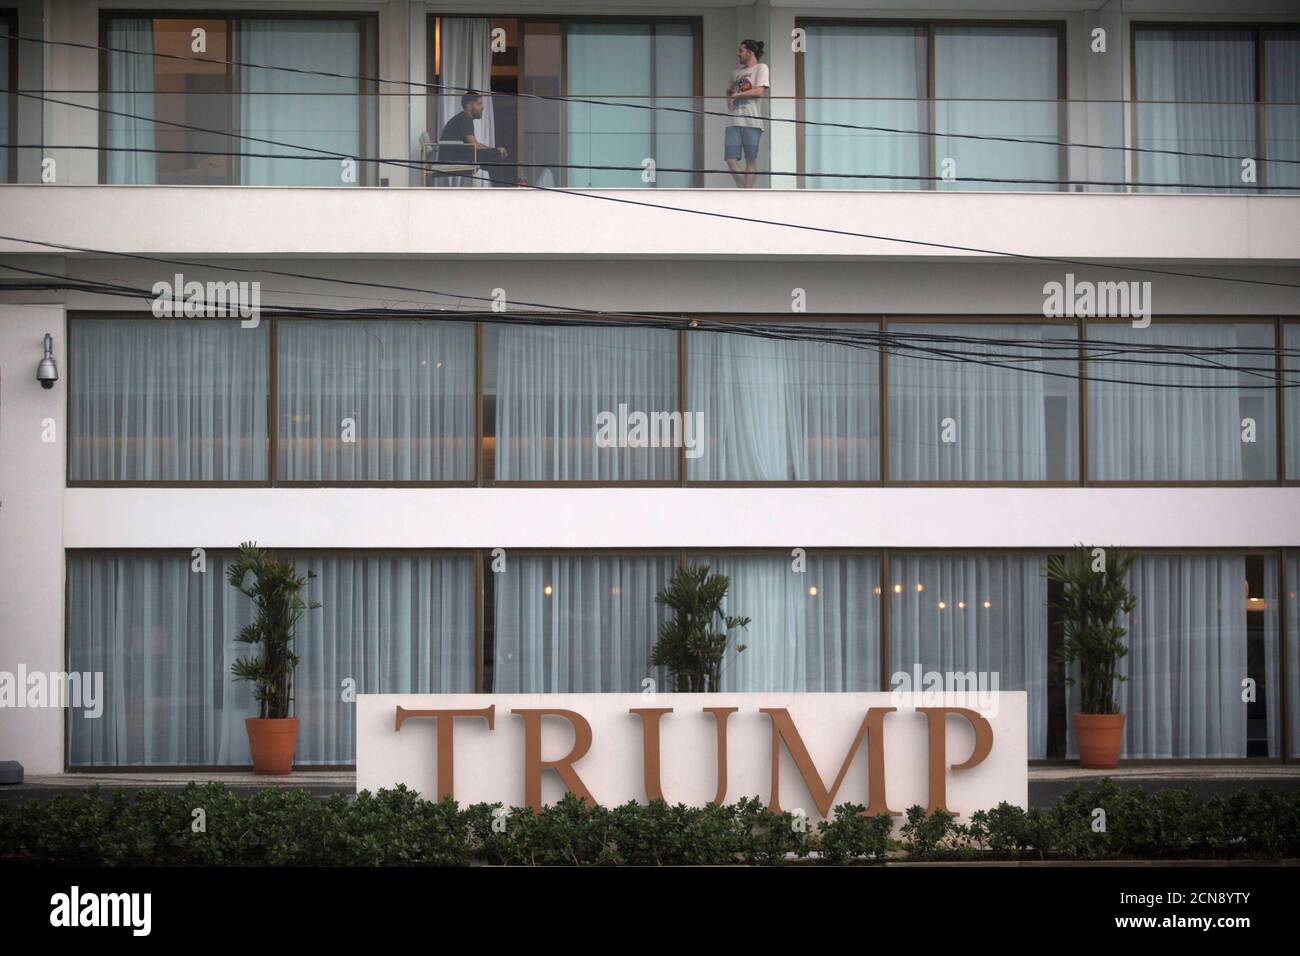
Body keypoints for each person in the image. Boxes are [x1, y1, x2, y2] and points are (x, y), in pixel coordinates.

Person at [437, 92, 508, 185]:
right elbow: (473, 146)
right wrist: (496, 150)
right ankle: (500, 191)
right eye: (479, 104)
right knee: (495, 155)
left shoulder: (463, 118)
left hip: (452, 156)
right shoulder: (465, 118)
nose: (483, 107)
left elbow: (474, 144)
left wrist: (494, 150)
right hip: (451, 159)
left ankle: (499, 188)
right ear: (469, 106)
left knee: (494, 155)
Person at [725, 39, 769, 188]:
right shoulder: (735, 73)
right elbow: (729, 92)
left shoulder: (761, 68)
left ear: (750, 53)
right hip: (733, 121)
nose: (738, 54)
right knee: (731, 160)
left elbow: (759, 91)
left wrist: (736, 96)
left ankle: (747, 193)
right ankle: (745, 190)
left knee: (750, 159)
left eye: (741, 51)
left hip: (752, 121)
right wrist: (730, 99)